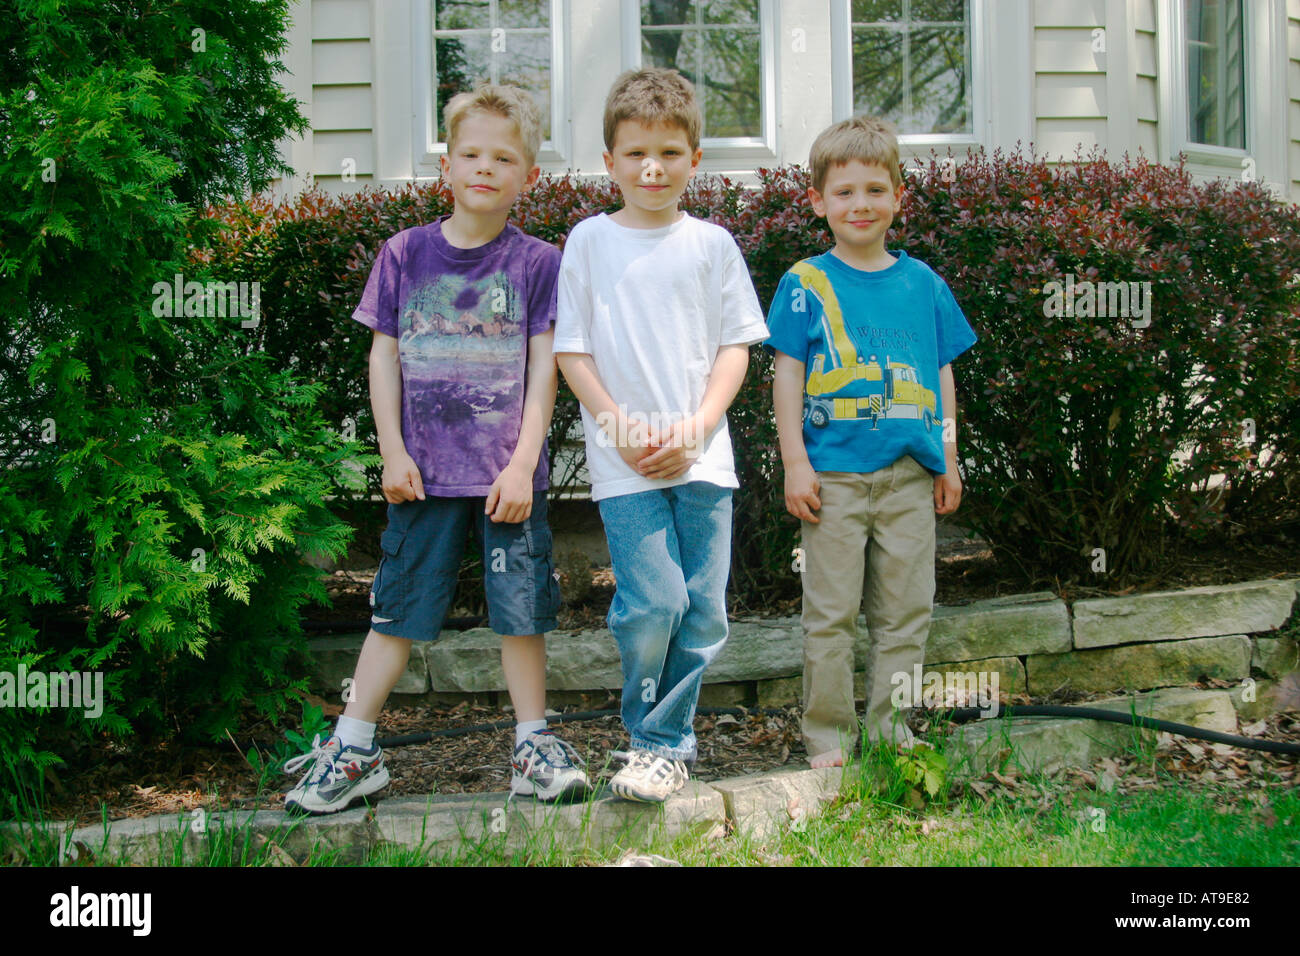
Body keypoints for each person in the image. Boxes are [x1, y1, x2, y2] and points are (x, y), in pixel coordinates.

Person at [285, 84, 590, 814]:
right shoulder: (404, 255)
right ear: (446, 166)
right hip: (421, 476)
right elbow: (383, 358)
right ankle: (353, 746)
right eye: (471, 154)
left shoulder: (538, 263)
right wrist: (391, 451)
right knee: (393, 611)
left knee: (522, 614)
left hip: (505, 480)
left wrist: (523, 462)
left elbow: (544, 368)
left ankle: (532, 746)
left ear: (528, 177)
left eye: (504, 157)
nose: (485, 168)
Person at [553, 68, 768, 802]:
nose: (653, 167)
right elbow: (571, 350)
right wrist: (614, 424)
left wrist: (701, 427)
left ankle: (665, 749)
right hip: (624, 465)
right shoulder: (588, 241)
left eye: (670, 153)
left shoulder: (712, 245)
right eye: (636, 152)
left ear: (695, 161)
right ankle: (651, 738)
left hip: (703, 461)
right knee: (653, 602)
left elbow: (737, 346)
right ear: (609, 161)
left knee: (703, 610)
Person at [765, 115, 978, 768]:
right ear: (818, 201)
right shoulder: (805, 283)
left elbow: (941, 375)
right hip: (832, 478)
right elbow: (787, 376)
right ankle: (828, 738)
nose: (861, 204)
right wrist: (795, 464)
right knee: (830, 616)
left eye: (875, 190)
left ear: (897, 199)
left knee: (908, 611)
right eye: (845, 191)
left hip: (910, 476)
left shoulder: (924, 285)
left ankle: (889, 732)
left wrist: (950, 457)